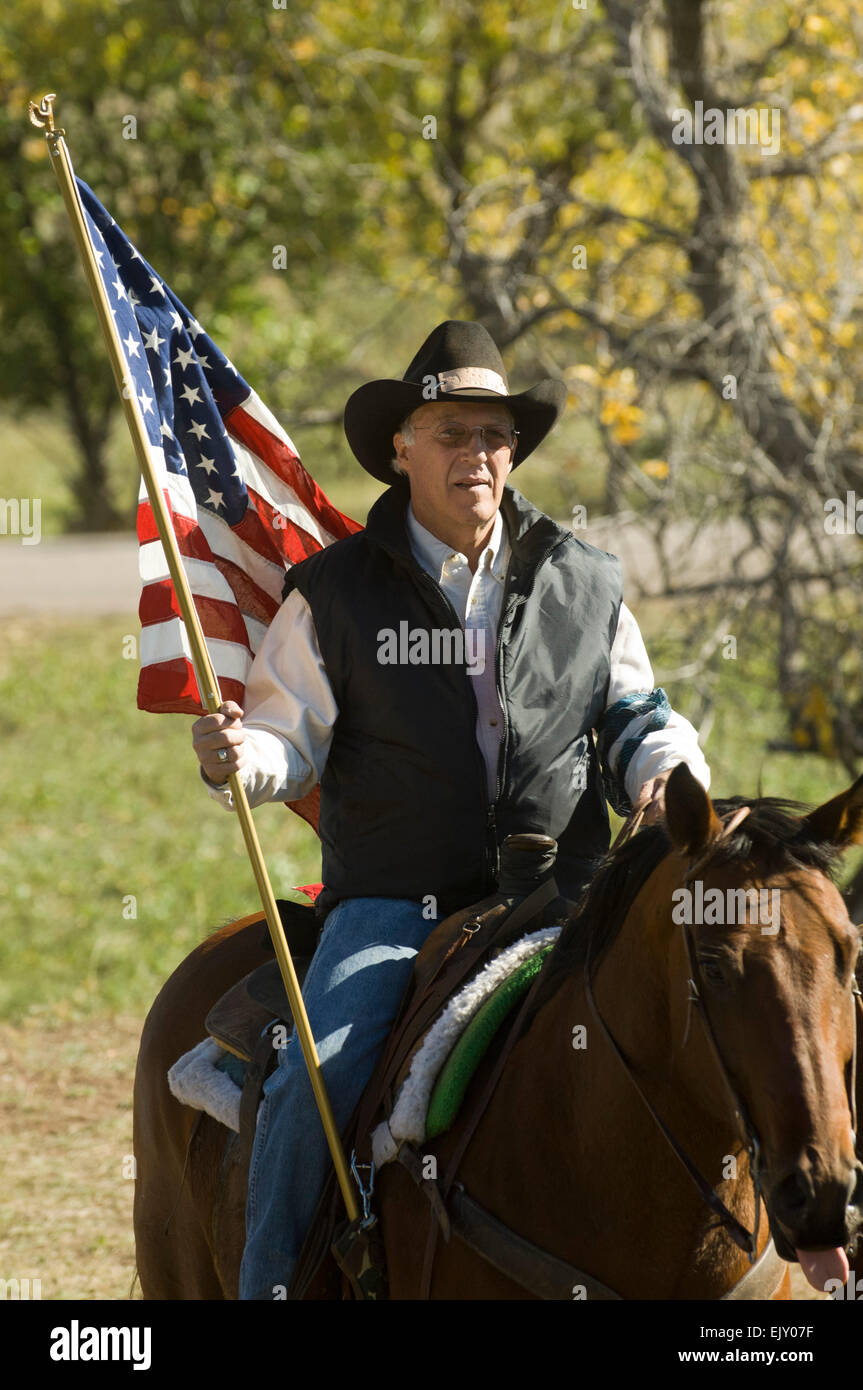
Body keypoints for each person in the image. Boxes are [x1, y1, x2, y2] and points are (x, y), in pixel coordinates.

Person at [191, 320, 710, 1299]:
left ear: (512, 451)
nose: (473, 455)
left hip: (567, 894)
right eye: (448, 433)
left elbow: (640, 713)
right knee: (321, 1079)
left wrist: (665, 776)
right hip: (392, 903)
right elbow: (281, 736)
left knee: (736, 1013)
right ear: (401, 449)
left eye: (490, 435)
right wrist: (236, 757)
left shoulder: (583, 580)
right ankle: (273, 1288)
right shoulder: (335, 593)